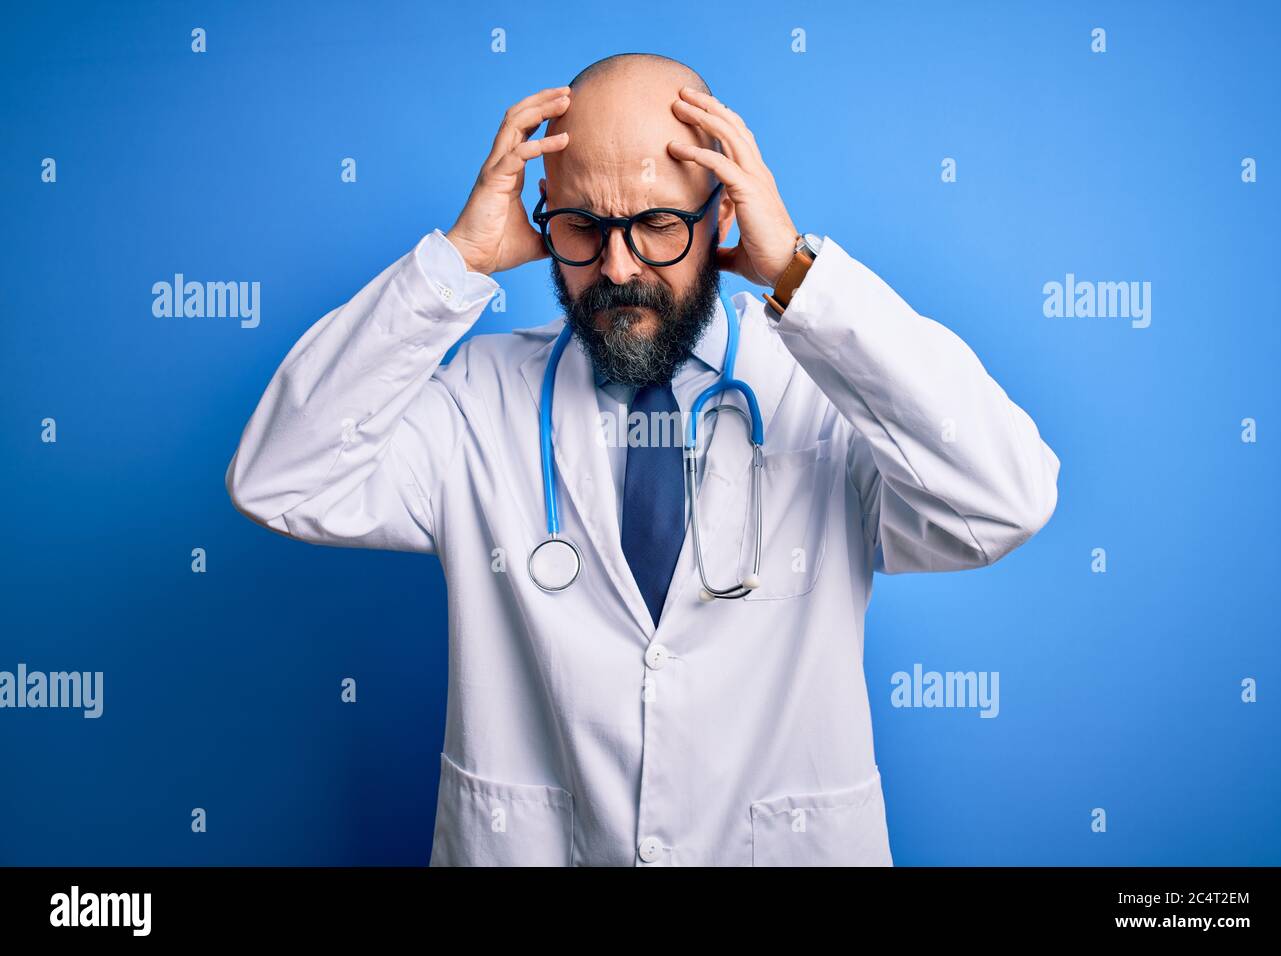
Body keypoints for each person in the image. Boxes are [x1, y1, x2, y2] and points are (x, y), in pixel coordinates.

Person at [225, 53, 1060, 866]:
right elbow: (280, 476)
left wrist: (803, 280)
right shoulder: (478, 397)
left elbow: (1003, 500)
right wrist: (458, 261)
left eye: (658, 223)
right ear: (542, 214)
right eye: (582, 226)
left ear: (724, 217)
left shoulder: (826, 395)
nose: (618, 267)